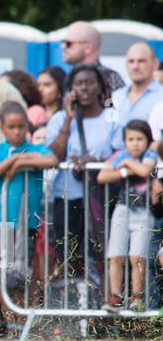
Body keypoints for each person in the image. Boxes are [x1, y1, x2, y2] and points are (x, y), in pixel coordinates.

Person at [0, 101, 56, 325]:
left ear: (27, 126)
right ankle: (0, 320)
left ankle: (19, 322)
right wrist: (14, 160)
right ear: (2, 128)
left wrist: (22, 159)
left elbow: (51, 159)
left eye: (20, 127)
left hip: (26, 224)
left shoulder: (35, 149)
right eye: (11, 127)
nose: (16, 132)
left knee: (20, 273)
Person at [45, 64, 117, 294]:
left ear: (99, 87)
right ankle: (83, 304)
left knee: (102, 253)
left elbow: (124, 152)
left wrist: (95, 159)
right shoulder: (59, 119)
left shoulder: (112, 118)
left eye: (89, 82)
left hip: (101, 196)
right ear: (71, 89)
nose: (84, 87)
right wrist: (67, 119)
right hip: (68, 197)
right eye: (79, 83)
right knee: (70, 253)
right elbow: (53, 156)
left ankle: (106, 307)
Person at [98, 120, 158, 313]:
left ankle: (137, 297)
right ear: (124, 141)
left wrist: (126, 165)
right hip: (123, 209)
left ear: (148, 141)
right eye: (130, 139)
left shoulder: (150, 154)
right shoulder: (121, 156)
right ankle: (115, 296)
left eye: (140, 139)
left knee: (137, 256)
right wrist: (124, 169)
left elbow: (144, 170)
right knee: (115, 255)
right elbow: (102, 176)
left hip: (143, 212)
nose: (135, 143)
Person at [110, 43, 163, 149]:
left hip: (151, 163)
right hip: (116, 162)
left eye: (141, 61)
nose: (135, 66)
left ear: (155, 64)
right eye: (131, 61)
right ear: (126, 65)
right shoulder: (115, 97)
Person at [60, 22, 125, 92]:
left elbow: (115, 102)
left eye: (68, 44)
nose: (63, 46)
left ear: (88, 48)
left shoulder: (110, 78)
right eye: (63, 42)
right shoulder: (69, 77)